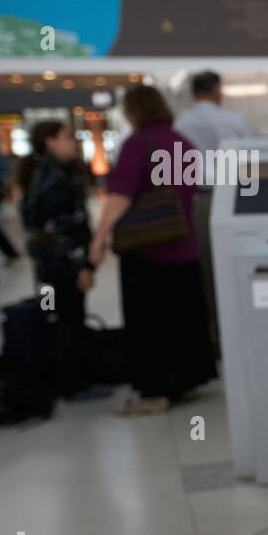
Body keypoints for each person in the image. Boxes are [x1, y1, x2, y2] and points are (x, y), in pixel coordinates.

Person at [89, 86, 216, 415]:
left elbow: (120, 197)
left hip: (147, 248)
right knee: (183, 316)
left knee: (150, 320)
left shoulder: (137, 144)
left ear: (133, 112)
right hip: (184, 245)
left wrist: (100, 236)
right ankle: (185, 381)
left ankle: (156, 392)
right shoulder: (182, 143)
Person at [16, 121, 101, 399]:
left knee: (66, 316)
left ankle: (71, 379)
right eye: (66, 138)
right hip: (62, 263)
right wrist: (80, 265)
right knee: (69, 319)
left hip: (53, 263)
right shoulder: (54, 177)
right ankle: (72, 384)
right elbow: (60, 227)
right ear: (50, 141)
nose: (73, 143)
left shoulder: (46, 172)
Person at [174, 70, 247, 357]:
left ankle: (212, 337)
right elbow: (246, 162)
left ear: (193, 94)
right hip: (232, 197)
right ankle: (237, 331)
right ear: (218, 91)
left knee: (205, 268)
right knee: (234, 265)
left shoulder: (181, 123)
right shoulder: (234, 120)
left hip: (198, 200)